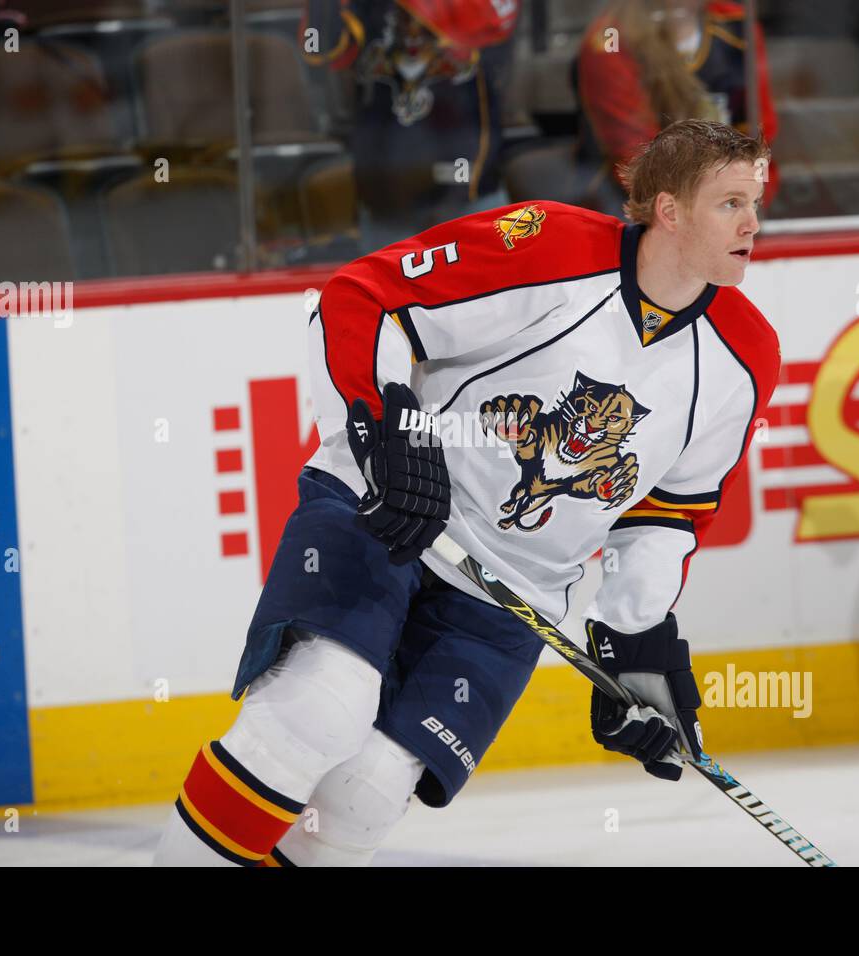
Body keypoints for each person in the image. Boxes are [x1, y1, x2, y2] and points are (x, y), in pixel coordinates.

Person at [153, 119, 780, 867]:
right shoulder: (546, 243)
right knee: (318, 711)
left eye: (756, 201)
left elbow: (667, 510)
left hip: (510, 597)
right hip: (391, 513)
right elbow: (363, 299)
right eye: (730, 203)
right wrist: (389, 432)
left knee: (366, 794)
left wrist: (633, 640)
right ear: (670, 209)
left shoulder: (747, 356)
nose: (752, 224)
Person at [299, 0, 519, 250]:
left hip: (468, 197)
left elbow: (494, 29)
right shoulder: (366, 8)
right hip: (388, 205)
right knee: (382, 286)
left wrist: (455, 188)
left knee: (482, 283)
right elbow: (318, 48)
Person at [575, 0, 779, 209]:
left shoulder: (737, 25)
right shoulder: (611, 39)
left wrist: (749, 203)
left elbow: (760, 136)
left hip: (726, 206)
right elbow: (636, 160)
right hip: (637, 213)